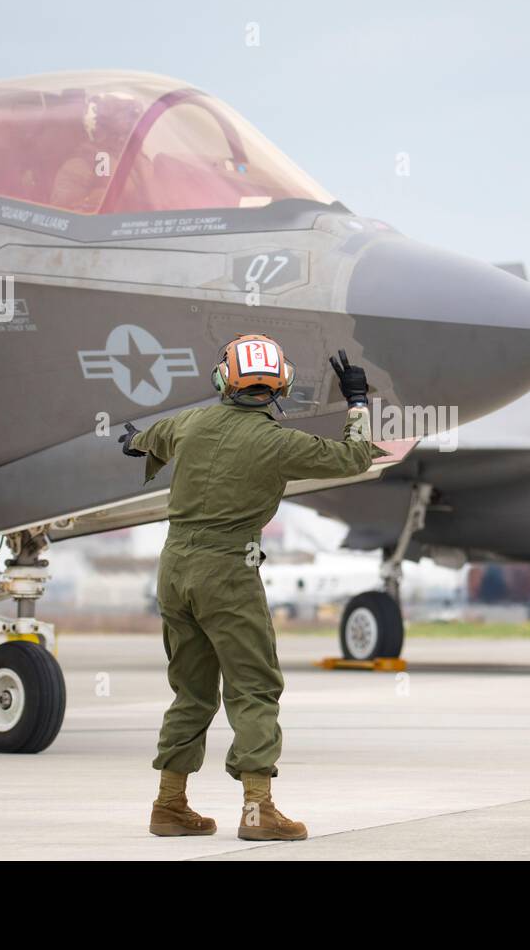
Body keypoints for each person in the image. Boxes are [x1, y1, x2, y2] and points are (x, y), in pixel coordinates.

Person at [119, 336, 385, 841]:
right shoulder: (278, 443)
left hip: (174, 570)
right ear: (280, 384)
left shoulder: (190, 424)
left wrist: (136, 442)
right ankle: (259, 810)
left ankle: (169, 805)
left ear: (224, 380)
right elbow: (354, 459)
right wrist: (356, 402)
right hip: (227, 571)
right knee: (254, 688)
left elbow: (147, 438)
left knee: (191, 692)